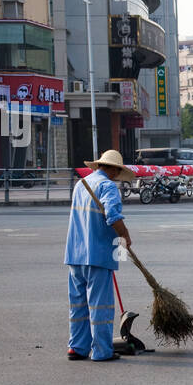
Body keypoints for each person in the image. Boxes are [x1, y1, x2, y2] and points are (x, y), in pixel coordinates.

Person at [65, 150, 135, 362]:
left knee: (78, 306)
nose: (116, 176)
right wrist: (125, 235)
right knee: (100, 307)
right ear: (112, 169)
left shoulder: (81, 185)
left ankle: (77, 348)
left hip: (75, 254)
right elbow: (112, 216)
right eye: (117, 171)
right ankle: (102, 351)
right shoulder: (107, 187)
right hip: (97, 255)